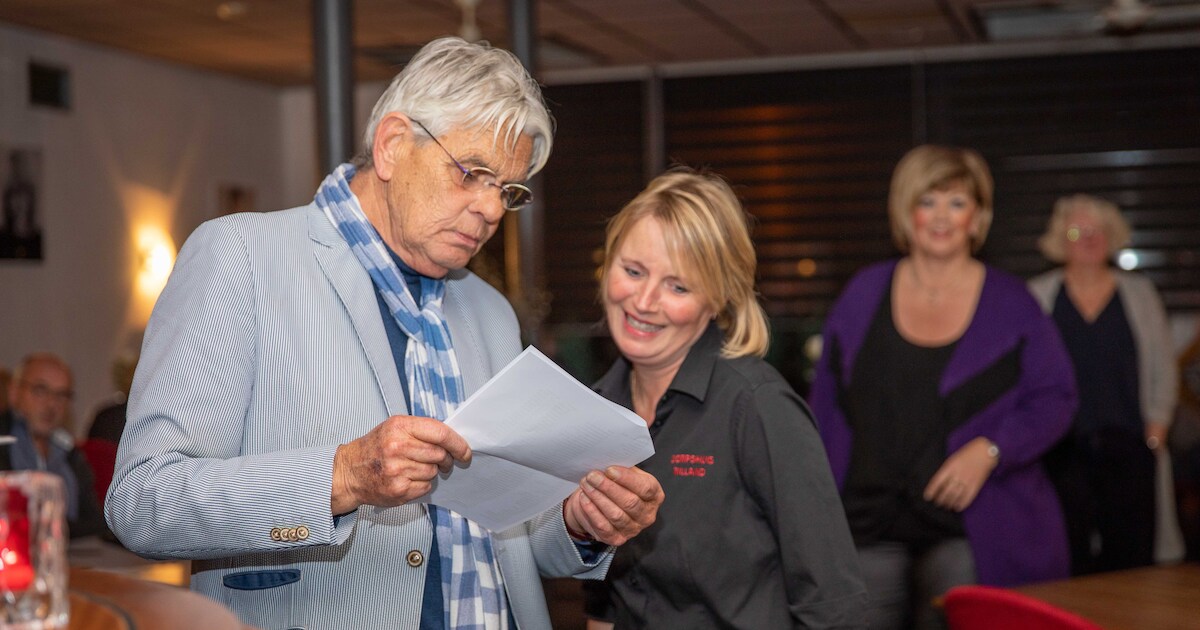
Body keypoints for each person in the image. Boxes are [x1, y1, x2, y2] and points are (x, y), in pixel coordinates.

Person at [105, 37, 664, 630]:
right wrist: (342, 476)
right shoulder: (243, 257)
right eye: (472, 174)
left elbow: (511, 543)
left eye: (507, 190)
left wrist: (581, 523)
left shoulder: (489, 311)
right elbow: (144, 501)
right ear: (394, 145)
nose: (492, 211)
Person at [582, 168, 867, 629]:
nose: (644, 300)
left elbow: (833, 605)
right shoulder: (597, 407)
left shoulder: (758, 406)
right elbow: (604, 600)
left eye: (678, 286)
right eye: (633, 271)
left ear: (716, 300)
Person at [809, 145, 1077, 630]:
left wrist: (993, 450)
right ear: (905, 212)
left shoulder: (1013, 301)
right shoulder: (862, 293)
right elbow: (825, 406)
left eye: (957, 203)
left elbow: (1057, 397)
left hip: (972, 526)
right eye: (927, 200)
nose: (941, 217)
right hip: (867, 520)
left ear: (977, 218)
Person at [1028, 194, 1179, 575]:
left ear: (1112, 237)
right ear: (1060, 239)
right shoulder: (1037, 295)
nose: (1089, 239)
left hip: (1128, 445)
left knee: (1132, 563)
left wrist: (1156, 431)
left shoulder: (1140, 293)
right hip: (1060, 450)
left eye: (1098, 231)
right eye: (1078, 230)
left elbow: (1164, 364)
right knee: (1067, 559)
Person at [2, 353, 106, 538]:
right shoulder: (4, 444)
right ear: (14, 392)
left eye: (61, 395)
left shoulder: (69, 451)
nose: (51, 404)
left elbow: (96, 522)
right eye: (40, 390)